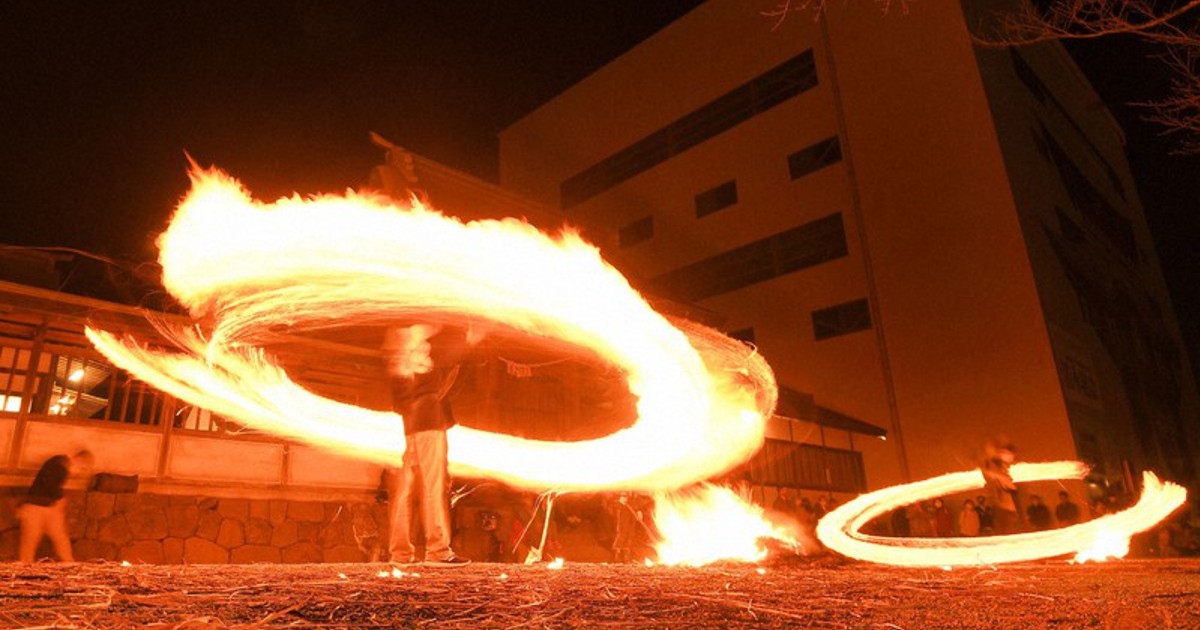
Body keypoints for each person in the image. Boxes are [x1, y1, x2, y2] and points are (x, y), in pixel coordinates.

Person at [386, 323, 482, 567]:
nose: (428, 348)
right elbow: (449, 358)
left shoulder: (403, 373)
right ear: (414, 349)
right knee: (432, 486)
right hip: (428, 425)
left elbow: (400, 403)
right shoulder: (422, 371)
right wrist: (468, 337)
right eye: (423, 346)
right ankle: (437, 551)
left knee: (406, 490)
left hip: (413, 427)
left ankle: (400, 554)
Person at [18, 450, 94, 562]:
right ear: (79, 460)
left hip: (48, 508)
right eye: (82, 468)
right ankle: (24, 568)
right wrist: (60, 499)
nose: (79, 472)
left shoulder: (61, 467)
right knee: (30, 542)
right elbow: (49, 484)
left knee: (60, 539)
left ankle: (68, 563)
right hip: (35, 508)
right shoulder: (59, 465)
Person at [981, 439, 1019, 534]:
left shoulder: (1004, 467)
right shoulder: (992, 465)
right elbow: (988, 475)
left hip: (1007, 505)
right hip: (1002, 505)